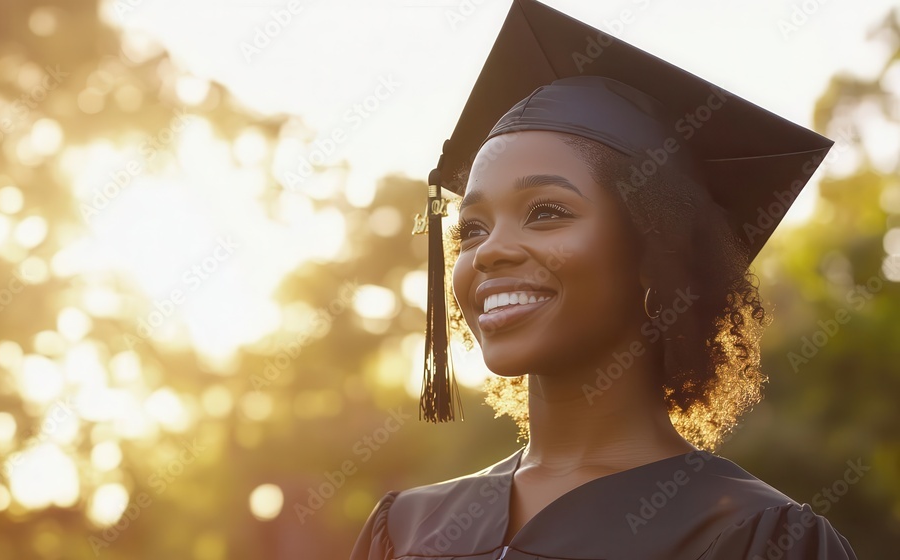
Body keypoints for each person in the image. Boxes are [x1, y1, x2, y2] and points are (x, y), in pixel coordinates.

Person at [351, 1, 857, 559]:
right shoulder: (407, 529)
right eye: (471, 228)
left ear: (654, 252)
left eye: (546, 211)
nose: (489, 250)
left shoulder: (752, 537)